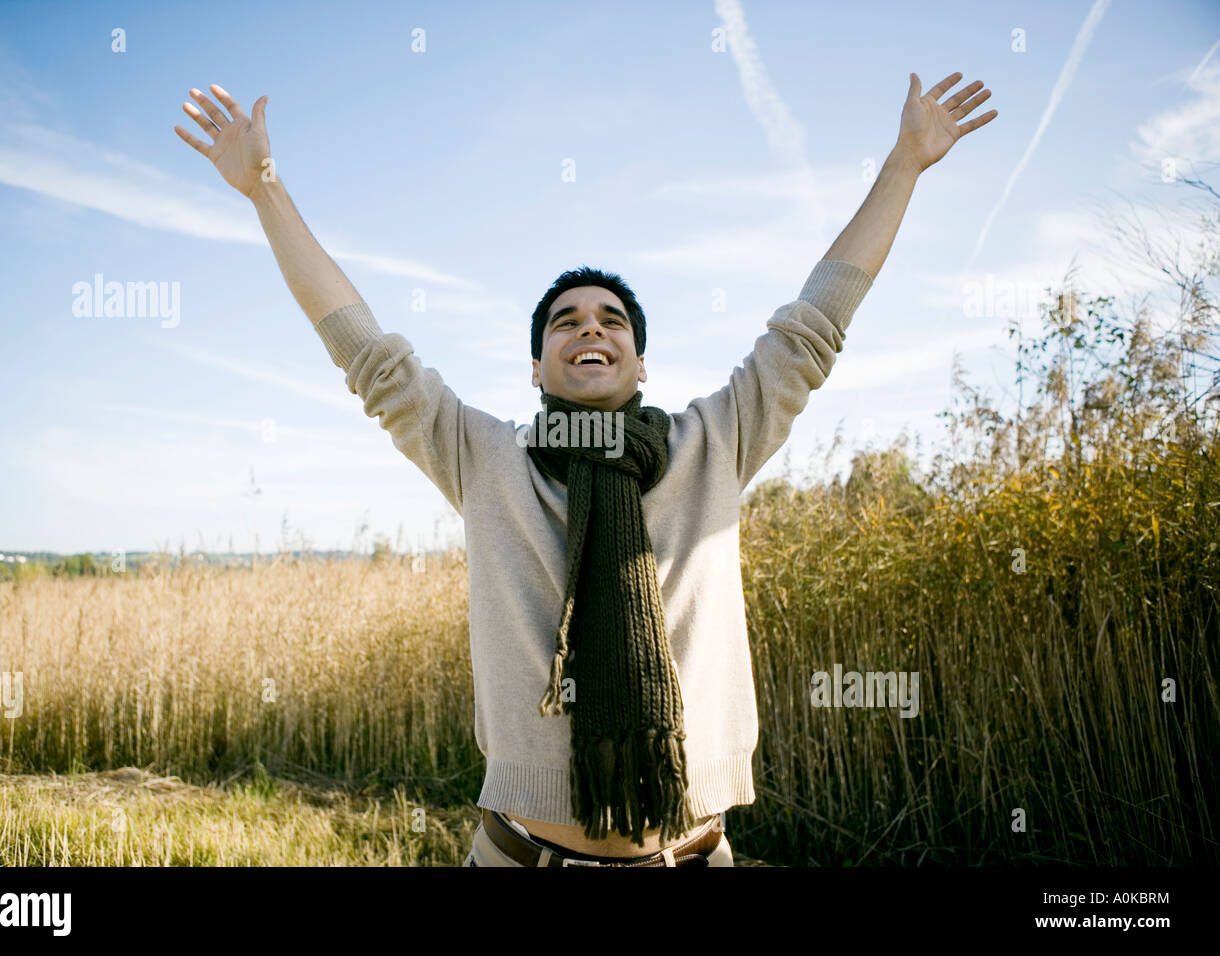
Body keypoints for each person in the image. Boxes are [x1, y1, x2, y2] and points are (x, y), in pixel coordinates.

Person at [174, 72, 996, 867]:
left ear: (640, 364)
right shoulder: (491, 460)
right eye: (565, 323)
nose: (588, 329)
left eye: (611, 321)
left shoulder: (711, 442)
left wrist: (904, 164)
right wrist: (264, 190)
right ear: (538, 367)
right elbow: (372, 359)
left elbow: (813, 324)